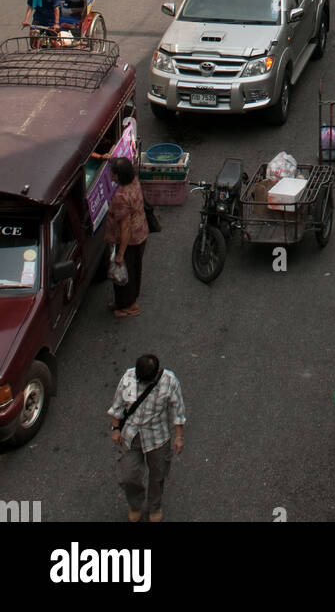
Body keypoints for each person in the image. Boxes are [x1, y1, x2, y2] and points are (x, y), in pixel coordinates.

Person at [108, 353, 186, 523]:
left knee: (158, 476)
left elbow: (178, 410)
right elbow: (118, 405)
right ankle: (135, 504)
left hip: (158, 438)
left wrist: (179, 436)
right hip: (130, 436)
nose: (142, 384)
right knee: (128, 476)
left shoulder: (170, 382)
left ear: (157, 373)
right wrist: (115, 428)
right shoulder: (129, 378)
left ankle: (154, 507)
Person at [104, 156, 149, 318]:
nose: (110, 174)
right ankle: (123, 302)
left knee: (125, 274)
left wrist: (120, 254)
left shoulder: (121, 197)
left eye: (112, 171)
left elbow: (125, 228)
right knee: (134, 269)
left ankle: (130, 305)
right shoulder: (134, 181)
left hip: (129, 241)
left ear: (117, 176)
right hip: (140, 232)